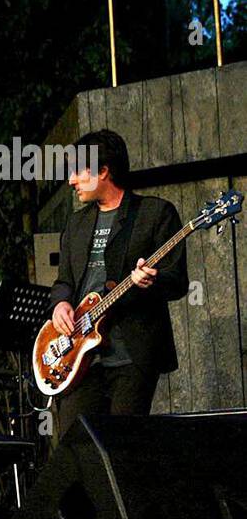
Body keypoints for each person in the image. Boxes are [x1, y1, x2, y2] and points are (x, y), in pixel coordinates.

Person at [49, 129, 188, 438]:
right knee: (76, 443)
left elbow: (177, 281)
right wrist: (60, 303)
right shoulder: (76, 223)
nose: (71, 181)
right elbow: (64, 282)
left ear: (102, 170)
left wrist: (151, 281)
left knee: (124, 446)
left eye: (77, 171)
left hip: (131, 354)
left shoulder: (155, 213)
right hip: (79, 355)